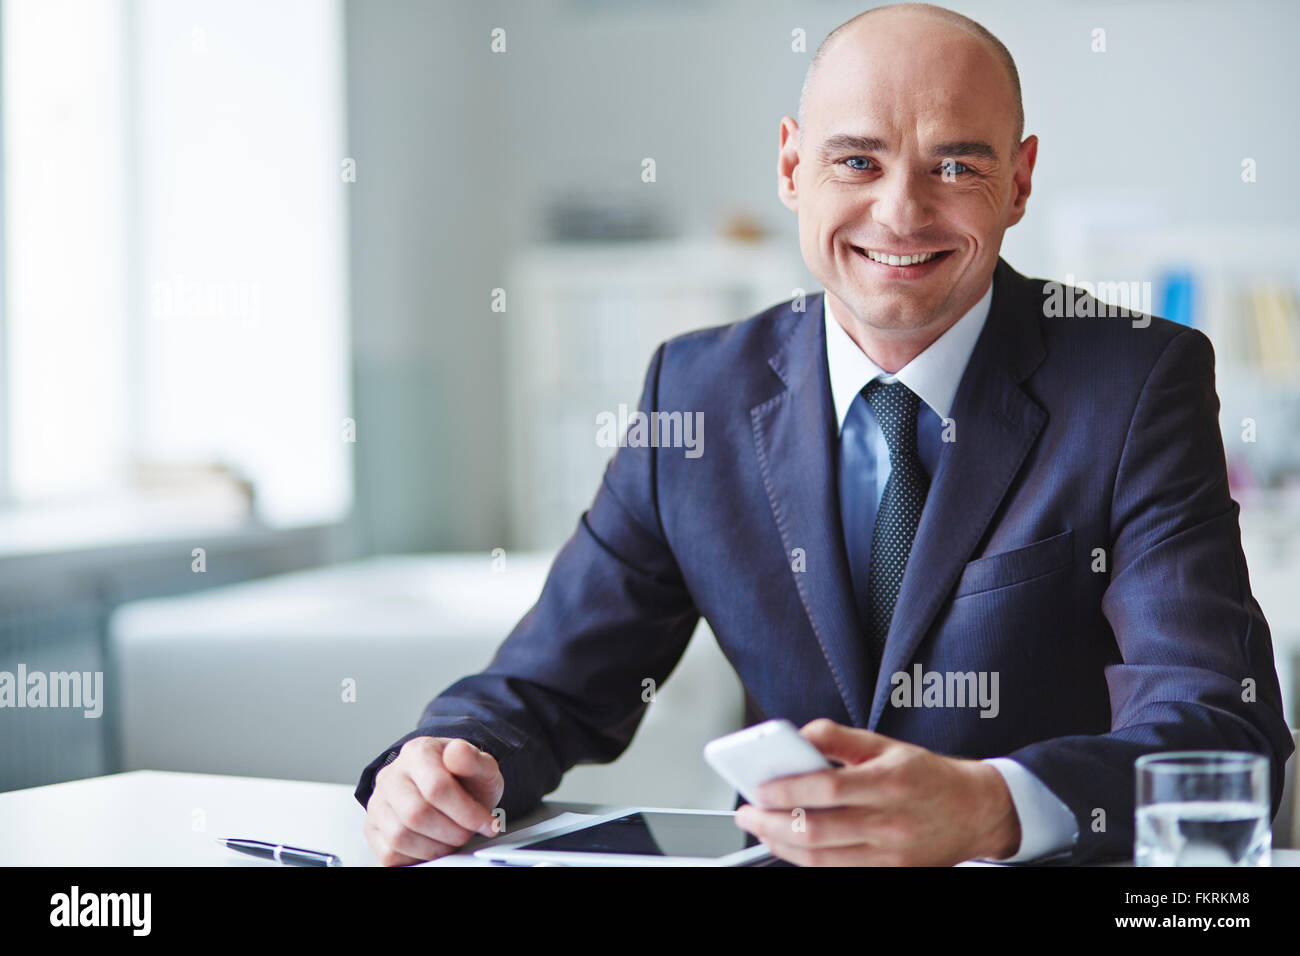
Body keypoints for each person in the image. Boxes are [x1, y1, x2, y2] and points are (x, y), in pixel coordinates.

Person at [355, 2, 1294, 866]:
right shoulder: (695, 390)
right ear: (792, 167)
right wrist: (447, 762)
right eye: (857, 160)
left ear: (1019, 180)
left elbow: (1222, 731)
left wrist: (991, 806)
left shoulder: (1138, 381)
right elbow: (547, 686)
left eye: (957, 165)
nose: (901, 212)